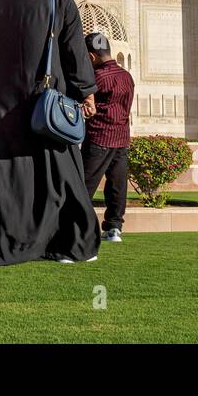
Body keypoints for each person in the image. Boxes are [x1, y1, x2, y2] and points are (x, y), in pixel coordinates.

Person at [0, 0, 100, 268]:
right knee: (59, 169)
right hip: (49, 101)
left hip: (3, 102)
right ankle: (71, 246)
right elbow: (74, 53)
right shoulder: (59, 0)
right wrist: (86, 91)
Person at [81, 32, 135, 243]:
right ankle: (114, 228)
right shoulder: (126, 77)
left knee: (83, 186)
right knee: (117, 186)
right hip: (121, 140)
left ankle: (79, 229)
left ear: (92, 56)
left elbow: (85, 104)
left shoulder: (97, 78)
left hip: (99, 138)